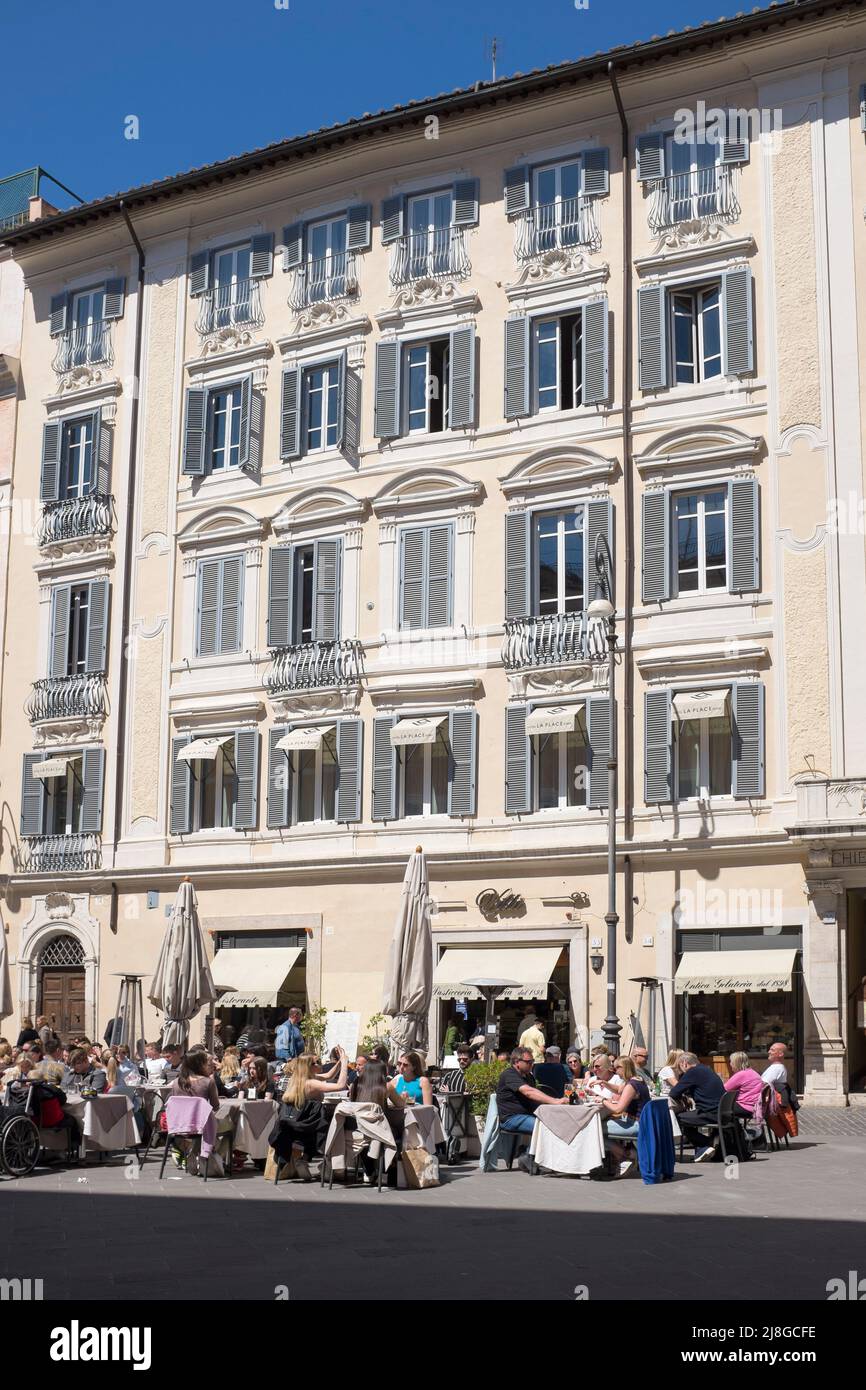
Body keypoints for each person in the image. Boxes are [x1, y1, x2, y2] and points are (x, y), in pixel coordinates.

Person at [273, 1047, 349, 1180]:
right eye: (316, 1062)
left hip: (294, 1124)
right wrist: (345, 1064)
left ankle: (305, 1161)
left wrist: (340, 1061)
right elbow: (340, 1085)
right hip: (307, 1126)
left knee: (321, 1122)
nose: (320, 1064)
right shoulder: (311, 1083)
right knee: (335, 1127)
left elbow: (329, 1075)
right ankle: (326, 1164)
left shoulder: (298, 1079)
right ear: (309, 1067)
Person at [496, 1047, 569, 1170]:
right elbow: (529, 1092)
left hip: (527, 1115)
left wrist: (552, 1109)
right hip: (511, 1118)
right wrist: (555, 1101)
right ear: (516, 1062)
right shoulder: (509, 1074)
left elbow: (535, 1096)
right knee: (543, 1127)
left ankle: (529, 1154)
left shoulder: (528, 1076)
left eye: (532, 1061)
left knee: (556, 1121)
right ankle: (529, 1156)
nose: (532, 1064)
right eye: (528, 1062)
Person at [668, 1052, 725, 1161]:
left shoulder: (692, 1072)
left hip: (709, 1113)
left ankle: (706, 1143)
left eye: (679, 1066)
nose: (680, 1070)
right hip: (720, 1111)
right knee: (687, 1116)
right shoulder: (706, 1069)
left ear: (684, 1063)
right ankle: (701, 1149)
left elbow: (674, 1093)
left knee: (676, 1118)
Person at [602, 1056, 651, 1175]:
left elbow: (618, 1109)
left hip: (636, 1124)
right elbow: (619, 1090)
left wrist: (603, 1100)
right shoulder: (637, 1079)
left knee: (595, 1130)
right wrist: (604, 1083)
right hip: (643, 1122)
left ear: (622, 1068)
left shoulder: (631, 1085)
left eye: (616, 1068)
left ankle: (626, 1156)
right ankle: (628, 1154)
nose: (615, 1072)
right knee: (603, 1124)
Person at [724, 1051, 766, 1123]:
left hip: (745, 1107)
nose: (730, 1064)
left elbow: (724, 1089)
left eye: (731, 1062)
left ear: (736, 1063)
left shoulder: (741, 1074)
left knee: (717, 1108)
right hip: (755, 1107)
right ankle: (734, 1131)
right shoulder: (753, 1072)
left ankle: (723, 1132)